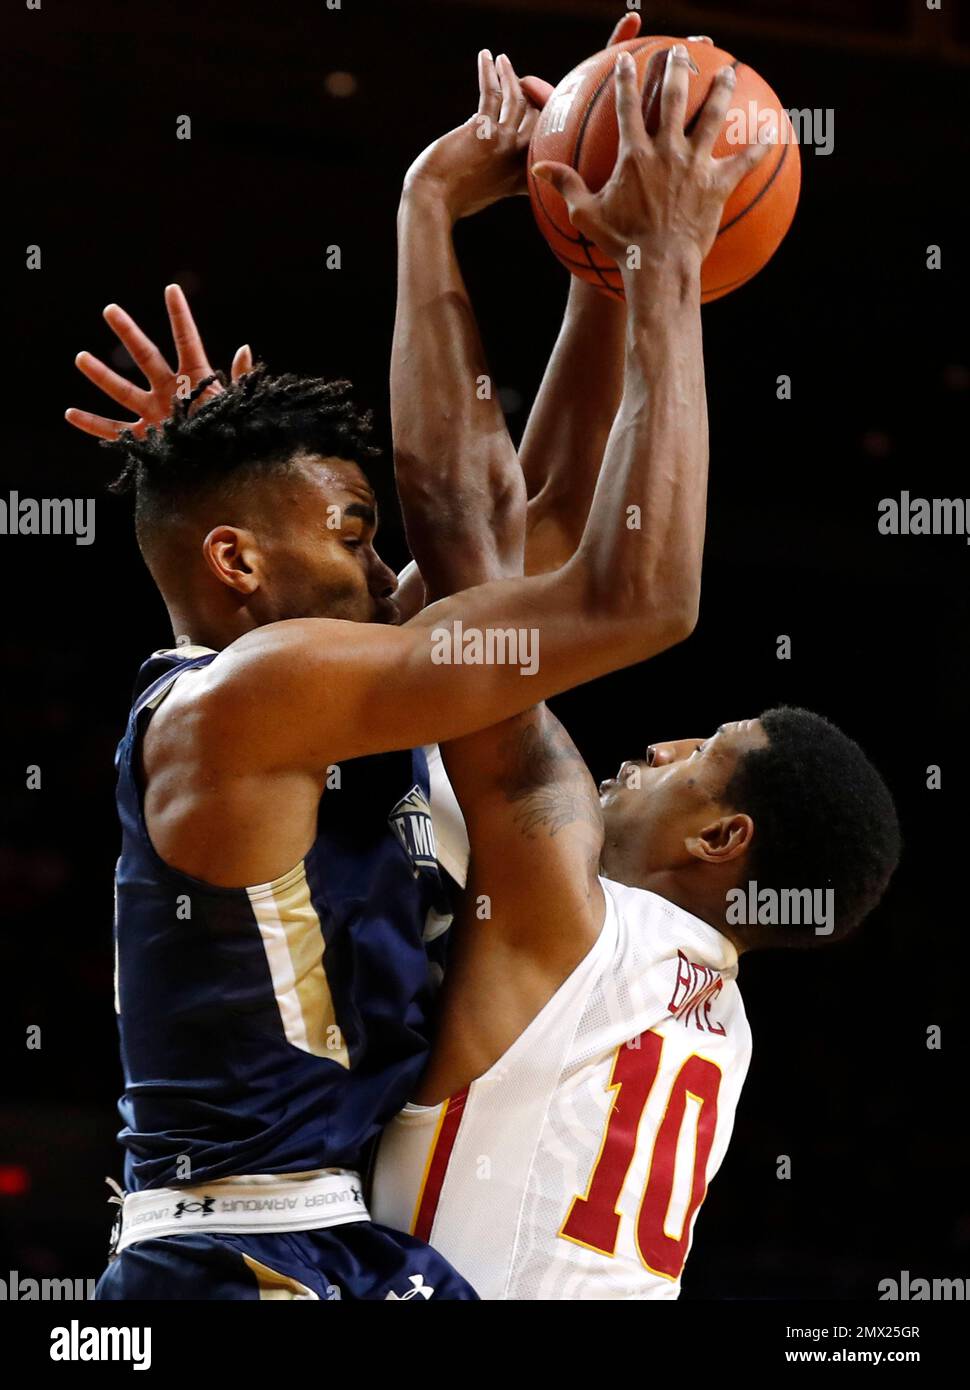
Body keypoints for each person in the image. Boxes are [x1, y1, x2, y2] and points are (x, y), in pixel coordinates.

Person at [64, 27, 761, 1299]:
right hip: (227, 1255)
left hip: (338, 1241)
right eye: (348, 534)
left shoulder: (293, 685)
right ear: (234, 564)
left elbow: (523, 521)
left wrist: (594, 273)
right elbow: (630, 591)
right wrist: (655, 261)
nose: (384, 574)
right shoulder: (244, 703)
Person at [370, 43, 902, 1298]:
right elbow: (522, 541)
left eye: (691, 751)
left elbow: (464, 529)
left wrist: (450, 209)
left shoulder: (565, 910)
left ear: (722, 838)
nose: (651, 745)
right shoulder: (714, 1025)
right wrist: (603, 273)